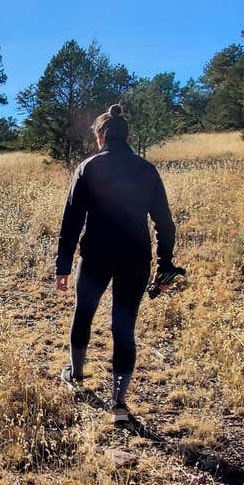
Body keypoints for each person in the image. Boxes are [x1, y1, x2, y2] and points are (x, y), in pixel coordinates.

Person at [54, 104, 179, 427]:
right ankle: (119, 405)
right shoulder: (146, 170)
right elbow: (165, 223)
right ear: (127, 136)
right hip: (135, 258)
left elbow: (71, 221)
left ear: (100, 136)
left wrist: (63, 265)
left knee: (84, 313)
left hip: (95, 256)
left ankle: (77, 375)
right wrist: (165, 264)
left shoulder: (88, 167)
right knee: (123, 327)